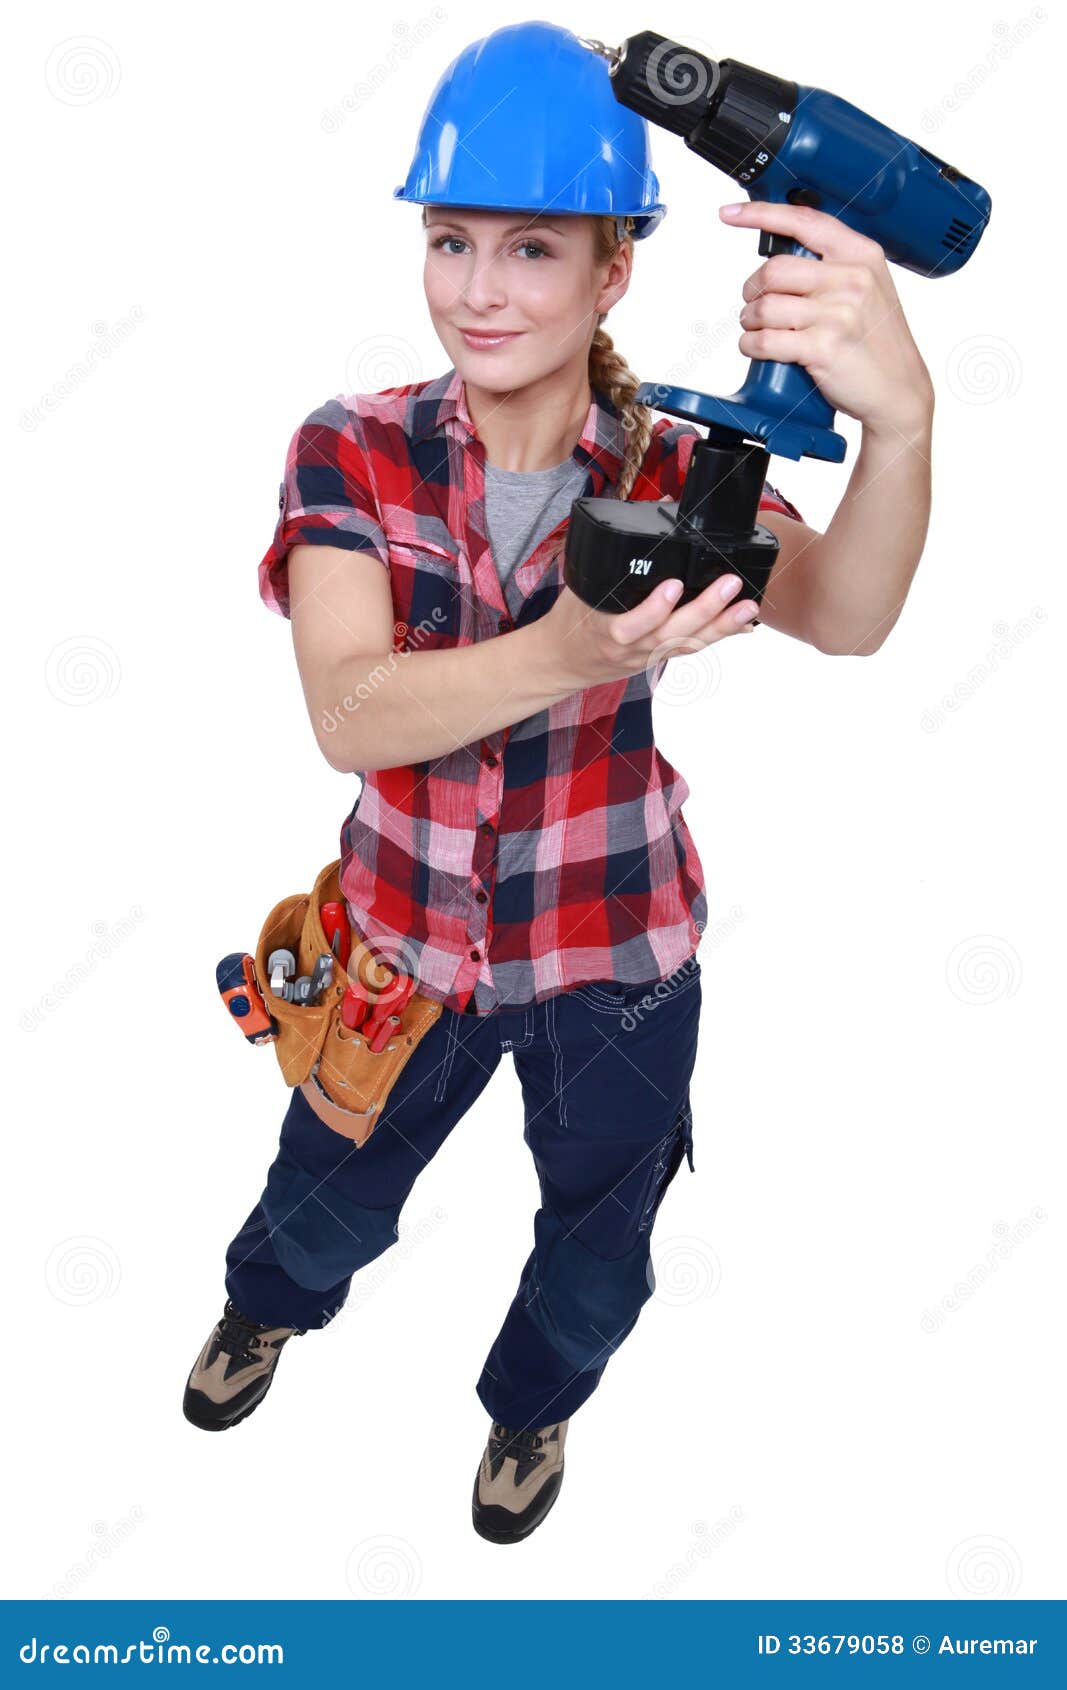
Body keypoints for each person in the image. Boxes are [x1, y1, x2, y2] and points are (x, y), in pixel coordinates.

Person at [183, 23, 934, 1544]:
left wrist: (903, 425)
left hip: (620, 959)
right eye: (451, 238)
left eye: (532, 248)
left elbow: (847, 614)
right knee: (320, 1197)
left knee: (600, 1244)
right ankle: (267, 1311)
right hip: (402, 947)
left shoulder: (674, 466)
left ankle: (534, 1409)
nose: (477, 287)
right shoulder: (357, 450)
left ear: (614, 273)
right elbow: (351, 708)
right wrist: (576, 644)